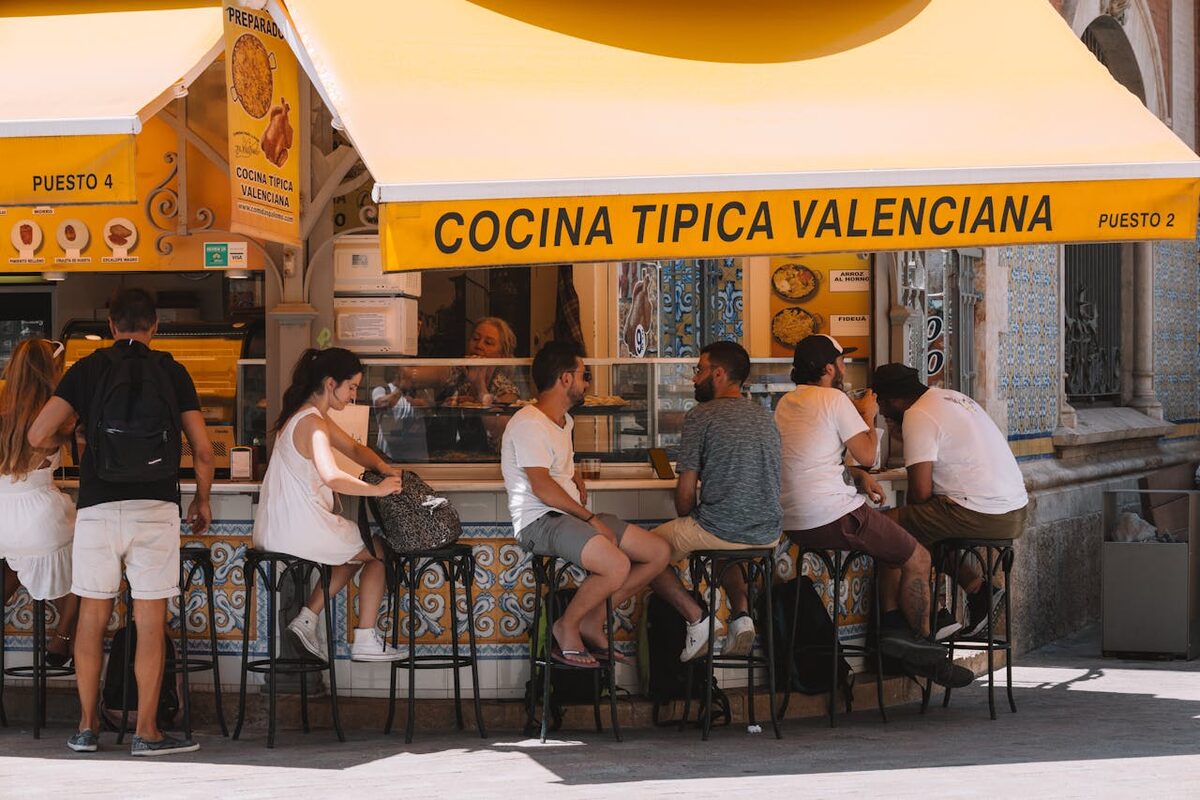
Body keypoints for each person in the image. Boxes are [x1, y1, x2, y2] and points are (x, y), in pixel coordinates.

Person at [28, 289, 214, 755]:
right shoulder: (172, 371)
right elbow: (205, 450)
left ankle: (87, 727)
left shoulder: (86, 369)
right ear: (154, 327)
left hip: (97, 508)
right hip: (155, 510)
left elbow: (36, 434)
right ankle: (147, 732)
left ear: (110, 327)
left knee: (92, 617)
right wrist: (203, 500)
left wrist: (74, 430)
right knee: (151, 621)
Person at [775, 334, 971, 688]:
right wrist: (866, 415)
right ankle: (928, 654)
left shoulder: (786, 402)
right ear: (828, 368)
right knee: (919, 557)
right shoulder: (834, 399)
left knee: (892, 551)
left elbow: (809, 460)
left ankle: (895, 629)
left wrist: (856, 475)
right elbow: (867, 452)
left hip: (795, 522)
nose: (845, 368)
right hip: (833, 516)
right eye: (841, 361)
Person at [501, 341, 670, 667]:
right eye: (584, 375)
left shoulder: (565, 420)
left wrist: (576, 475)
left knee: (657, 553)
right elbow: (542, 488)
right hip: (540, 521)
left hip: (568, 518)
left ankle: (594, 619)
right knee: (617, 564)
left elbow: (556, 466)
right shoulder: (528, 422)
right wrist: (592, 518)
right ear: (565, 379)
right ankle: (567, 625)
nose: (587, 383)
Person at [254, 347, 405, 663]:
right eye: (351, 387)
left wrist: (386, 468)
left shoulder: (307, 417)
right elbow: (332, 476)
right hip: (300, 529)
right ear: (330, 382)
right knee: (379, 550)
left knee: (358, 549)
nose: (353, 396)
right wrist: (378, 490)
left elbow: (353, 448)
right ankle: (363, 638)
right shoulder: (312, 423)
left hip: (281, 528)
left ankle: (308, 618)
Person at [872, 363, 1029, 638]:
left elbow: (919, 494)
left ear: (894, 400)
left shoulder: (918, 415)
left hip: (980, 512)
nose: (881, 412)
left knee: (886, 530)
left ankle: (912, 625)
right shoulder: (950, 398)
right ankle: (978, 590)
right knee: (923, 528)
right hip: (1013, 511)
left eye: (882, 404)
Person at [648, 341, 782, 660]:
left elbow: (685, 494)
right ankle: (741, 614)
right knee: (720, 544)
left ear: (718, 374)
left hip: (721, 527)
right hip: (768, 534)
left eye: (699, 370)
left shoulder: (701, 415)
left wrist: (690, 516)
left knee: (644, 552)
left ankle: (697, 618)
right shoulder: (766, 417)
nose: (694, 378)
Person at [0, 339, 79, 667]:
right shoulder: (60, 412)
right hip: (40, 515)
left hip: (3, 516)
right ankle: (62, 637)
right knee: (88, 553)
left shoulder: (3, 406)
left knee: (18, 554)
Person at [371, 366, 429, 462]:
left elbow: (431, 410)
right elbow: (381, 404)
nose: (413, 374)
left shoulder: (418, 392)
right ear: (398, 373)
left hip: (414, 454)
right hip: (388, 455)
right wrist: (401, 389)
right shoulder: (382, 389)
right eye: (409, 371)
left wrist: (418, 402)